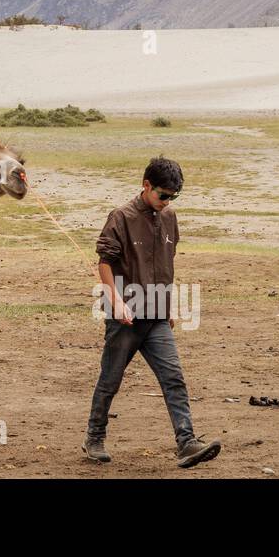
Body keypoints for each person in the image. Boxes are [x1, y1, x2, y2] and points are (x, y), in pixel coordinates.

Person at [85, 156, 222, 469]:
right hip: (126, 318)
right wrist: (115, 301)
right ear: (146, 186)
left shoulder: (170, 217)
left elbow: (164, 266)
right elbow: (104, 262)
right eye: (163, 195)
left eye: (173, 197)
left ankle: (186, 442)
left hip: (157, 315)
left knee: (173, 377)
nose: (167, 201)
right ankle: (93, 437)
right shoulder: (120, 217)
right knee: (110, 380)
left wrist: (168, 306)